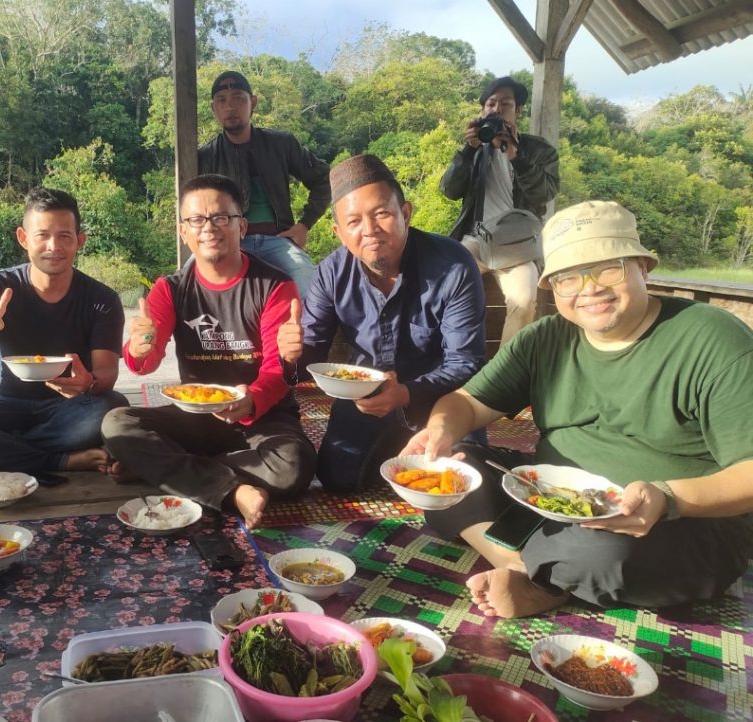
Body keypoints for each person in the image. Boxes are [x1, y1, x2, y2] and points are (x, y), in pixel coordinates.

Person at [400, 200, 753, 619]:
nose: (588, 289)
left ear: (642, 266)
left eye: (607, 268)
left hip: (668, 523)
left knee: (601, 553)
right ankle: (528, 570)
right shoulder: (547, 337)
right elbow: (466, 402)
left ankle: (542, 575)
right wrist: (441, 428)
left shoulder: (711, 338)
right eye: (568, 277)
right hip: (554, 499)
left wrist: (670, 498)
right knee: (448, 475)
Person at [101, 174, 317, 527]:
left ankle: (171, 468)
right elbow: (143, 364)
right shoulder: (169, 289)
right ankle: (231, 490)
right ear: (183, 231)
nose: (209, 228)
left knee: (294, 464)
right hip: (196, 414)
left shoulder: (275, 285)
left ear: (241, 226)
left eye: (221, 217)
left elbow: (278, 374)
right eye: (196, 220)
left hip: (260, 415)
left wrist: (254, 396)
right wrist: (140, 345)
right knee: (116, 424)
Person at [278, 155, 486, 491]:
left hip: (442, 403)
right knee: (336, 480)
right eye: (354, 222)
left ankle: (404, 453)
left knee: (462, 485)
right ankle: (392, 452)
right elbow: (311, 353)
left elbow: (466, 361)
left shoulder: (453, 266)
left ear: (405, 213)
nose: (370, 231)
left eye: (382, 214)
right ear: (339, 232)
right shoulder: (331, 272)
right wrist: (290, 354)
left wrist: (405, 393)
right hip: (364, 399)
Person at [0, 187, 127, 475]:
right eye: (42, 235)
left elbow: (107, 373)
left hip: (68, 410)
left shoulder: (101, 299)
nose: (53, 246)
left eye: (64, 236)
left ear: (79, 241)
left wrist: (89, 383)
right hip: (4, 404)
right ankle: (59, 460)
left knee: (112, 406)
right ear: (23, 238)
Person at [440, 76, 560, 345]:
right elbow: (448, 190)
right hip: (477, 239)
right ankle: (448, 360)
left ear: (517, 111)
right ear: (483, 111)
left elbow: (545, 194)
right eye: (490, 104)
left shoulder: (539, 150)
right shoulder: (476, 149)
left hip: (518, 245)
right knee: (441, 285)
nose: (496, 109)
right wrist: (467, 151)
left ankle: (502, 375)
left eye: (505, 103)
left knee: (525, 301)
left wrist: (516, 155)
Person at [198, 70, 330, 298]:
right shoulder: (205, 157)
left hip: (279, 242)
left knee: (309, 286)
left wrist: (304, 225)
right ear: (214, 108)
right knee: (187, 283)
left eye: (238, 98)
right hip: (228, 242)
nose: (230, 106)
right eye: (222, 100)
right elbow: (193, 208)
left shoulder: (281, 144)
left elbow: (324, 179)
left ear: (253, 102)